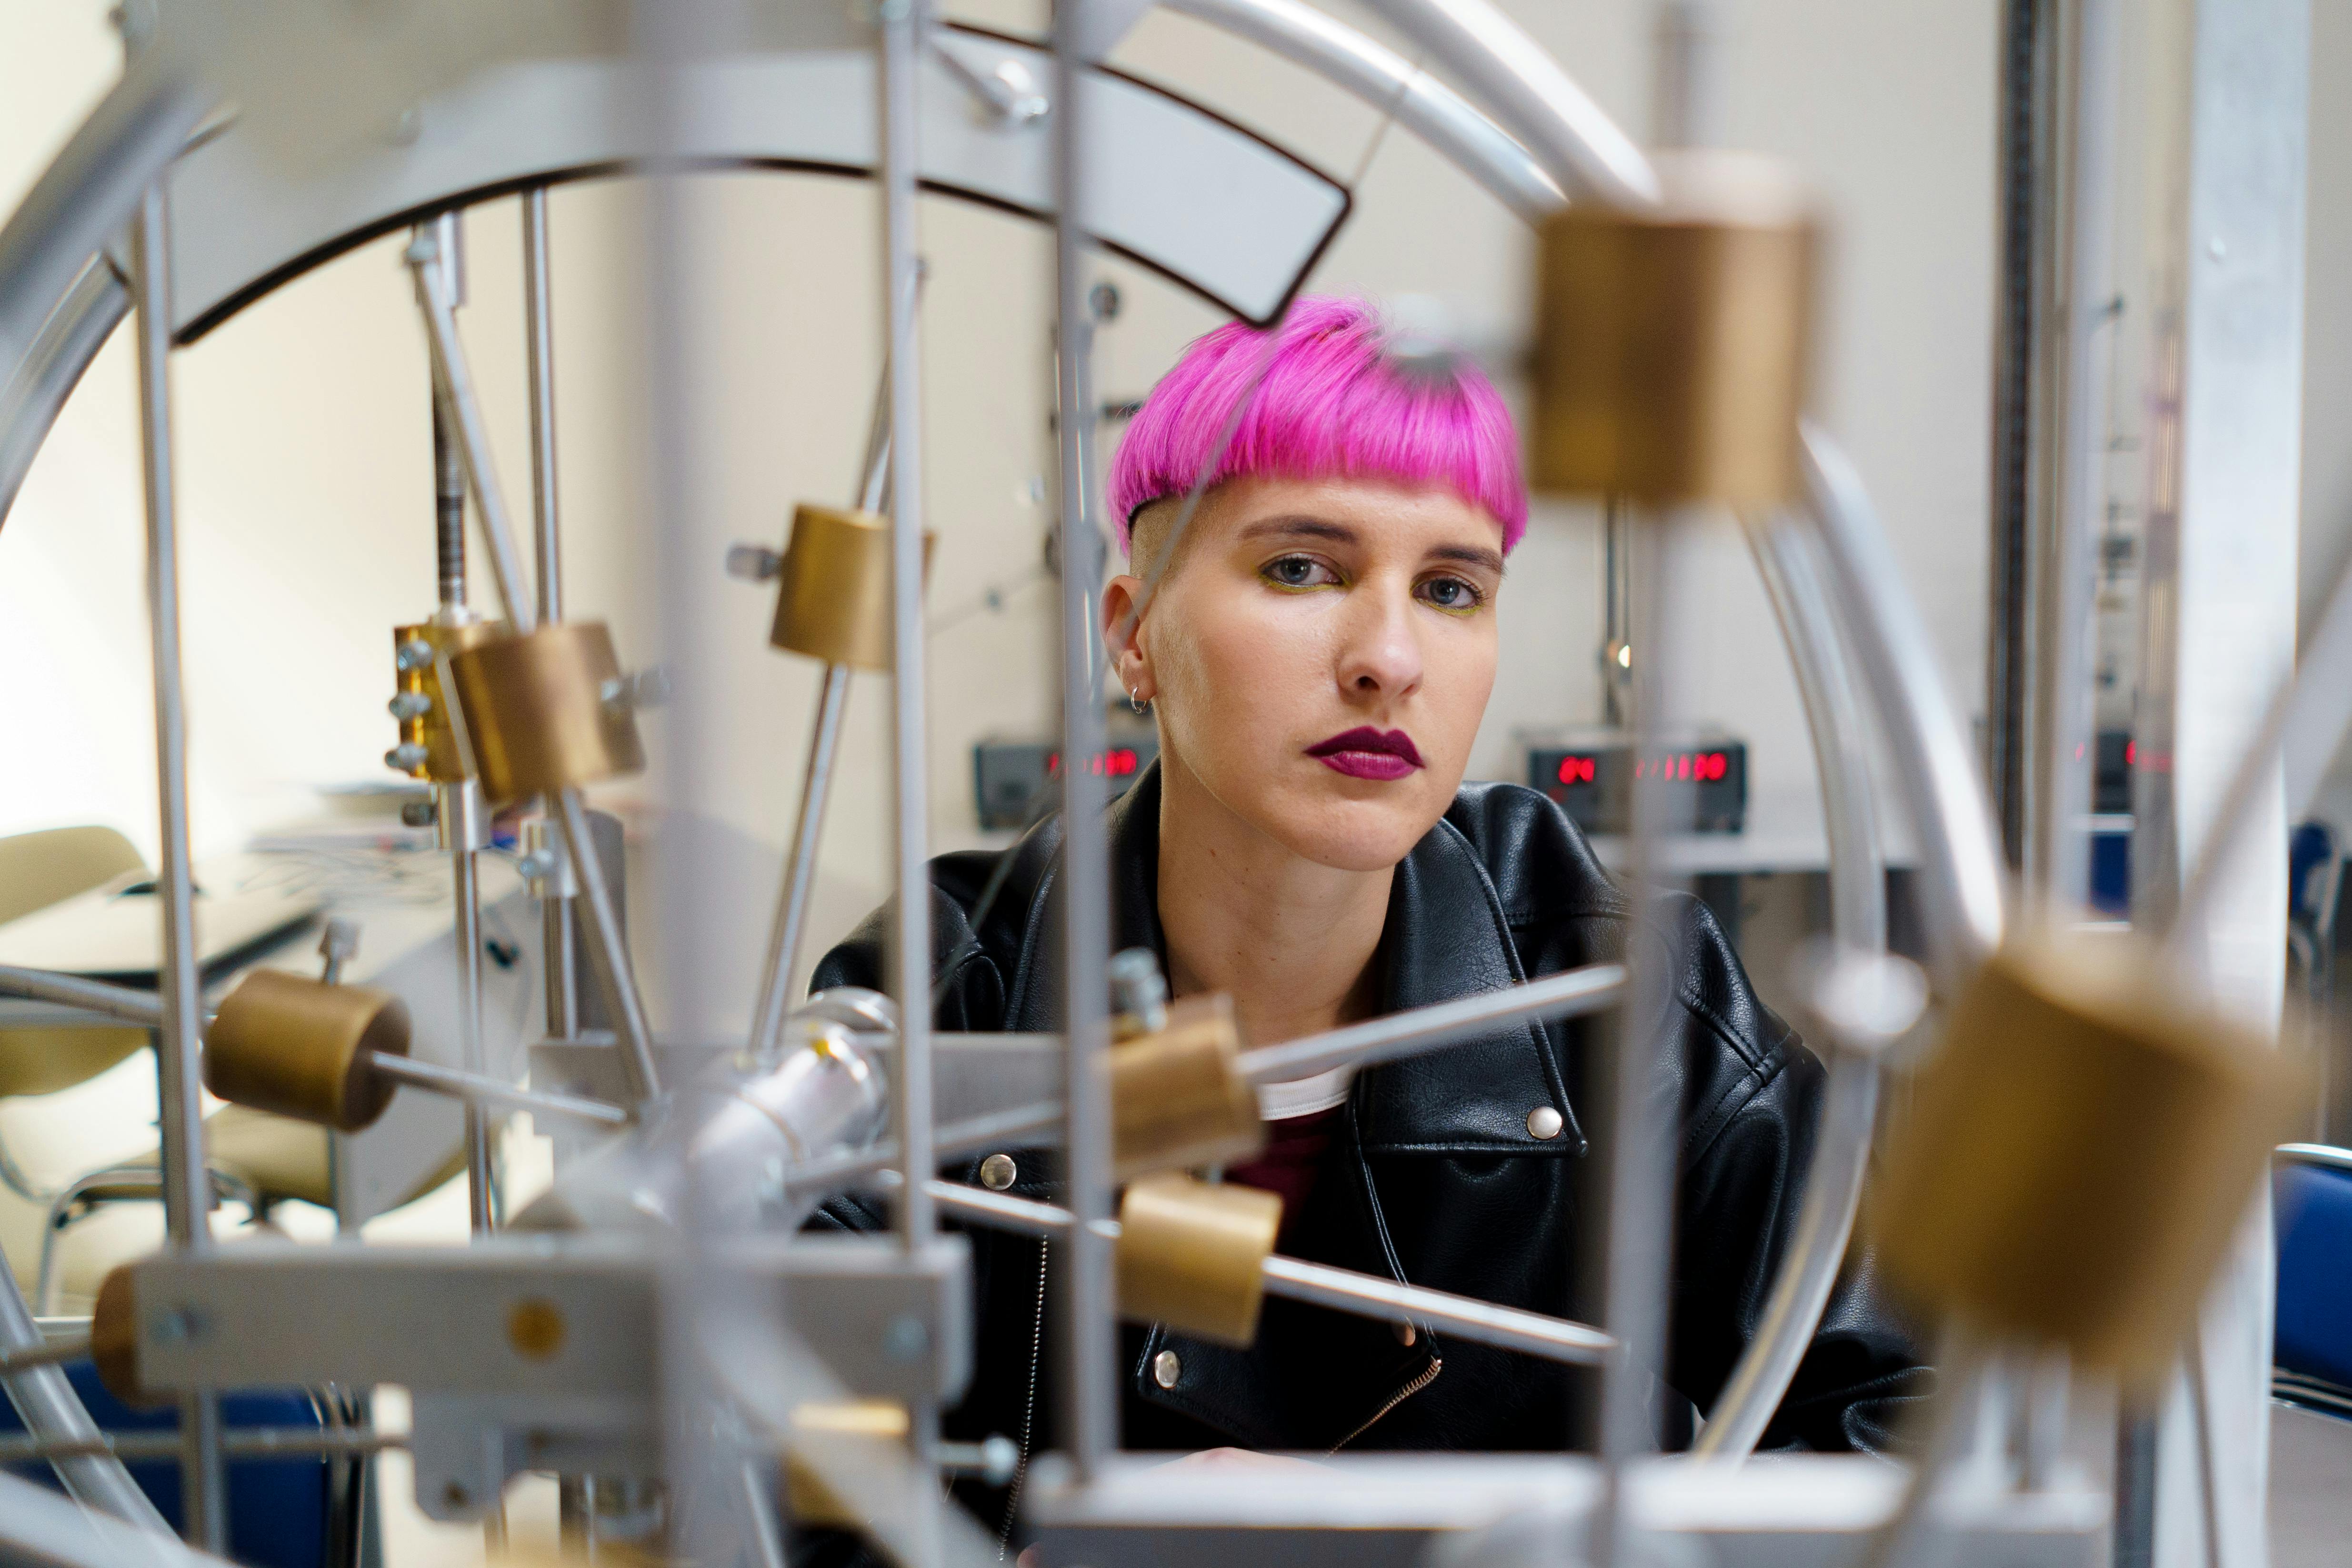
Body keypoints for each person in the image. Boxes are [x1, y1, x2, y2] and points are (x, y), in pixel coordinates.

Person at [809, 296, 1926, 1540]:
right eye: (1302, 568)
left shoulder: (1617, 991)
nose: (1387, 657)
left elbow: (1909, 1433)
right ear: (1131, 635)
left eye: (1450, 589)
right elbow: (752, 1478)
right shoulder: (940, 993)